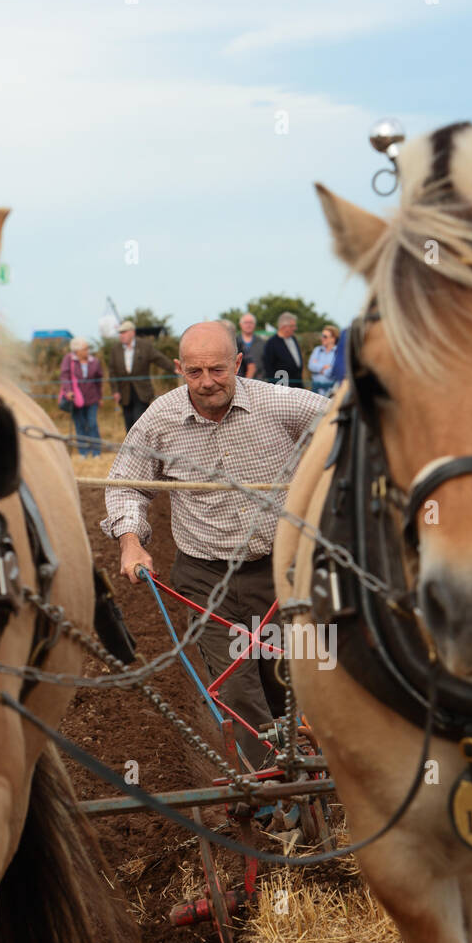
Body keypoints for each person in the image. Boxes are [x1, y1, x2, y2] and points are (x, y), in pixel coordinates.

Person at [102, 321, 329, 763]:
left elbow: (345, 422)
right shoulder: (159, 421)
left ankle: (311, 757)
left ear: (239, 363)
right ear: (178, 369)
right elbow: (124, 485)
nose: (207, 383)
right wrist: (131, 540)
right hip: (206, 576)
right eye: (194, 372)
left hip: (280, 570)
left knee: (288, 675)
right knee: (238, 687)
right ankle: (276, 790)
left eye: (218, 370)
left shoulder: (279, 403)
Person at [109, 321, 174, 433]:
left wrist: (175, 368)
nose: (121, 335)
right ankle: (131, 448)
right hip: (124, 392)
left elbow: (159, 359)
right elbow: (112, 372)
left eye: (124, 332)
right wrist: (115, 391)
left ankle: (141, 449)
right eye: (120, 333)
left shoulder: (144, 346)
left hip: (142, 391)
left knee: (139, 421)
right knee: (128, 422)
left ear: (132, 332)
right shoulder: (115, 349)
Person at [59, 337, 103, 458]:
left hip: (92, 398)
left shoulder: (94, 361)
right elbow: (64, 376)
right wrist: (68, 391)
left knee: (92, 424)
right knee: (80, 424)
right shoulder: (69, 359)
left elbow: (99, 380)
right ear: (77, 351)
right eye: (84, 349)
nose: (87, 351)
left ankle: (96, 452)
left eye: (88, 348)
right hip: (76, 399)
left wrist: (100, 397)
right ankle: (83, 452)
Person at [262, 312, 304, 387]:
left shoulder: (293, 339)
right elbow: (268, 367)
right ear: (283, 326)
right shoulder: (271, 343)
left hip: (297, 386)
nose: (295, 328)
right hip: (282, 388)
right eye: (292, 326)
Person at [307, 325, 340, 395]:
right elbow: (310, 366)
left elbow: (334, 371)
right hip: (315, 389)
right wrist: (325, 367)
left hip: (331, 390)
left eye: (325, 336)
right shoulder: (317, 349)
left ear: (333, 339)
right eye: (321, 336)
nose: (322, 338)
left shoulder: (338, 352)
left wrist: (318, 368)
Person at [236, 312, 264, 380]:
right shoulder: (234, 341)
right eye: (246, 322)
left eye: (251, 322)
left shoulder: (262, 342)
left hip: (259, 381)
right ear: (240, 324)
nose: (248, 325)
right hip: (238, 381)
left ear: (255, 324)